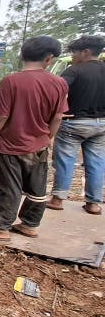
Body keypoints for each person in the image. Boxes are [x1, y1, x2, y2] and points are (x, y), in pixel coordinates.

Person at [0, 36, 68, 241]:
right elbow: (57, 117)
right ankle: (30, 224)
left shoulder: (11, 82)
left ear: (22, 55)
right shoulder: (59, 83)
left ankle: (1, 228)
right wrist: (48, 138)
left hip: (10, 146)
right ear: (49, 59)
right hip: (39, 145)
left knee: (8, 186)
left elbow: (1, 116)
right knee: (37, 187)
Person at [47, 35, 105, 215]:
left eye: (74, 53)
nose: (72, 57)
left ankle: (58, 199)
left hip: (74, 121)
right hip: (101, 124)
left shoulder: (74, 70)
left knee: (65, 161)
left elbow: (56, 91)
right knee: (96, 163)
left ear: (85, 52)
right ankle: (93, 203)